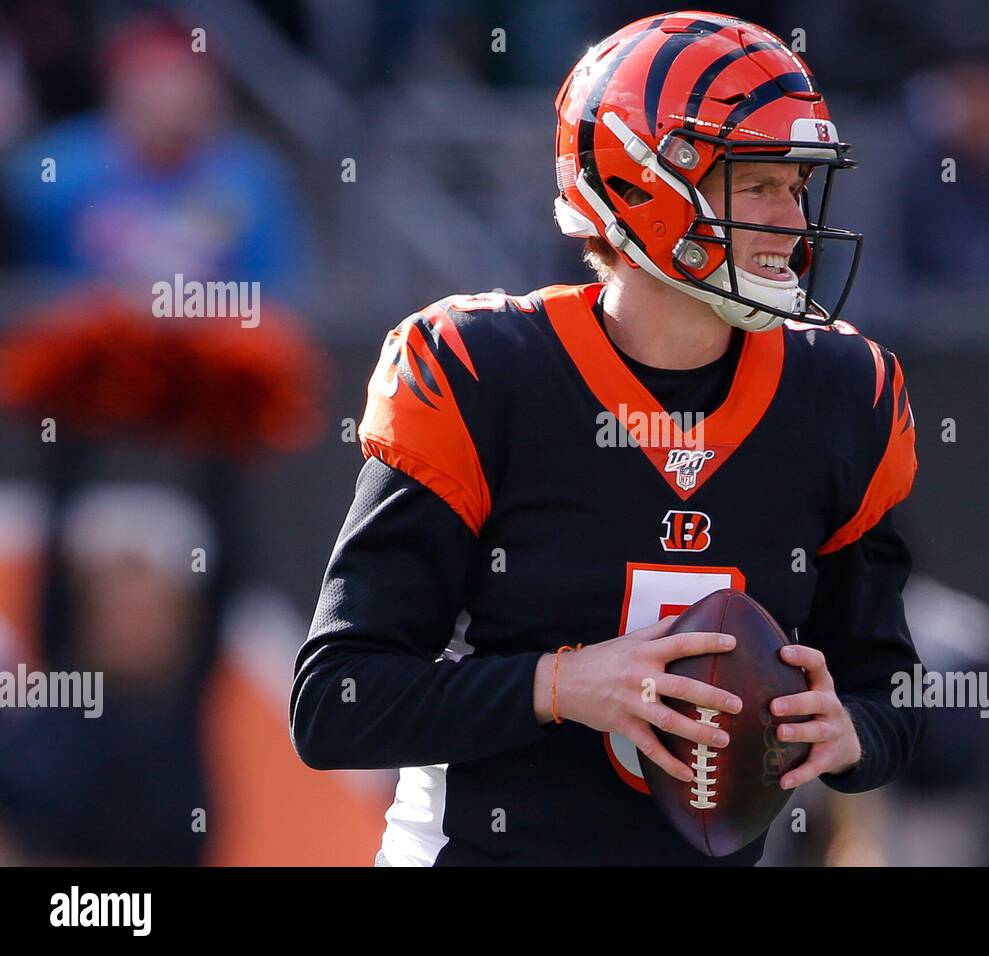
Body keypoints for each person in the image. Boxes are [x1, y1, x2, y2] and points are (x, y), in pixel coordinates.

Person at [291, 11, 925, 866]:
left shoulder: (845, 395)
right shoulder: (480, 373)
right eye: (758, 184)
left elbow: (892, 695)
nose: (792, 221)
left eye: (797, 185)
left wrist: (854, 733)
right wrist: (559, 685)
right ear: (642, 185)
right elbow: (337, 702)